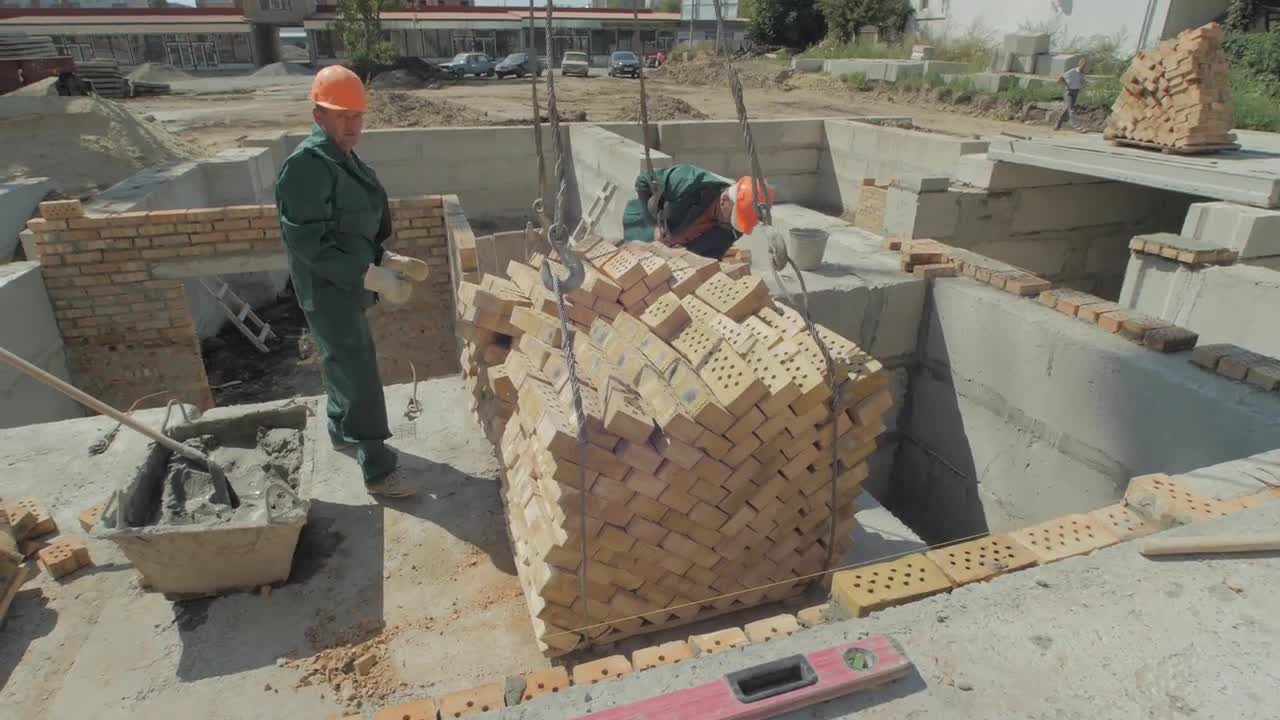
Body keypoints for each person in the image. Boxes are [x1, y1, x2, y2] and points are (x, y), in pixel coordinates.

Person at [275, 65, 430, 498]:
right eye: (340, 115)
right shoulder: (306, 165)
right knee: (357, 367)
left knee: (339, 360)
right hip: (327, 287)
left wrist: (385, 256)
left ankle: (341, 428)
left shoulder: (343, 157)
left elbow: (351, 226)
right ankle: (378, 469)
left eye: (357, 116)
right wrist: (372, 275)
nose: (351, 124)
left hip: (347, 278)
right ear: (318, 114)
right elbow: (311, 242)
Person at [621, 164, 773, 259]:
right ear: (724, 200)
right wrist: (653, 225)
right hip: (643, 231)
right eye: (735, 217)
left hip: (672, 258)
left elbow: (709, 258)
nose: (732, 225)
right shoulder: (687, 181)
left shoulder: (734, 228)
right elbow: (643, 180)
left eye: (739, 221)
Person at [1055, 58, 1088, 131]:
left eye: (1085, 65)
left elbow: (1082, 81)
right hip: (1068, 92)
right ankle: (1076, 126)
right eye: (1083, 65)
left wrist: (1083, 84)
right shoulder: (1072, 71)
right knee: (1071, 110)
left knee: (1067, 109)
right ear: (1079, 64)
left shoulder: (1082, 74)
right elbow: (1061, 77)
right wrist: (1065, 84)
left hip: (1076, 92)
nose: (1084, 67)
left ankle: (1058, 124)